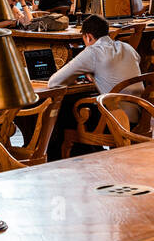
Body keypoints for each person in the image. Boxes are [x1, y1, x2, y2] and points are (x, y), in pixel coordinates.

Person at [45, 13, 144, 159]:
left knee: (65, 107)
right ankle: (89, 153)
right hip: (140, 115)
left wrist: (78, 75)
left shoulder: (93, 52)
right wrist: (96, 74)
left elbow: (53, 82)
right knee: (82, 104)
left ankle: (59, 159)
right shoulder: (127, 47)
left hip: (115, 120)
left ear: (88, 37)